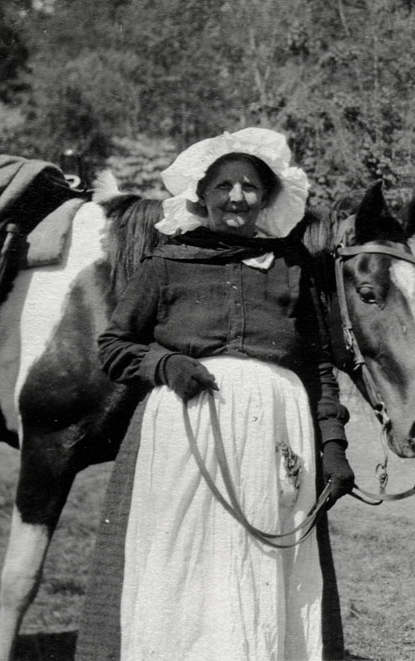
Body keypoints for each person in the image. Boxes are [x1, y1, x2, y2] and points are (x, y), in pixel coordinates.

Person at [75, 127, 355, 661]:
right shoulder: (168, 262)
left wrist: (333, 445)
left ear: (268, 197)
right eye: (224, 185)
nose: (236, 197)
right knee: (185, 556)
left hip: (277, 436)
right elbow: (113, 345)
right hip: (184, 435)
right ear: (201, 194)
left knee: (264, 558)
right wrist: (165, 362)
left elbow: (317, 363)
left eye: (250, 186)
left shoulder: (292, 267)